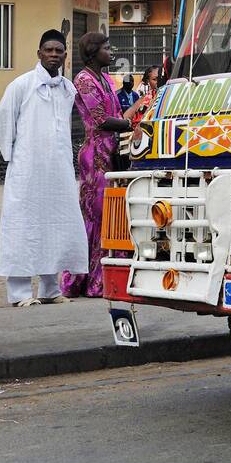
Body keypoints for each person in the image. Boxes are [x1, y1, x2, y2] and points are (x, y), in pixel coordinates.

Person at [0, 29, 88, 307]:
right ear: (39, 53)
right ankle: (20, 293)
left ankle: (50, 288)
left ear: (65, 56)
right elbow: (3, 123)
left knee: (56, 227)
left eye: (59, 51)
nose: (53, 55)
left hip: (57, 172)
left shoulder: (68, 89)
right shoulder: (21, 86)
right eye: (49, 50)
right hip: (27, 171)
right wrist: (15, 159)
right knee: (22, 226)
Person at [60, 32, 148, 298]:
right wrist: (132, 124)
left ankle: (106, 276)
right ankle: (83, 279)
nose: (112, 52)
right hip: (95, 153)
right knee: (96, 214)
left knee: (113, 212)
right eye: (107, 48)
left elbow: (118, 115)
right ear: (93, 51)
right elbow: (101, 119)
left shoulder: (107, 79)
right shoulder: (84, 79)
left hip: (114, 150)